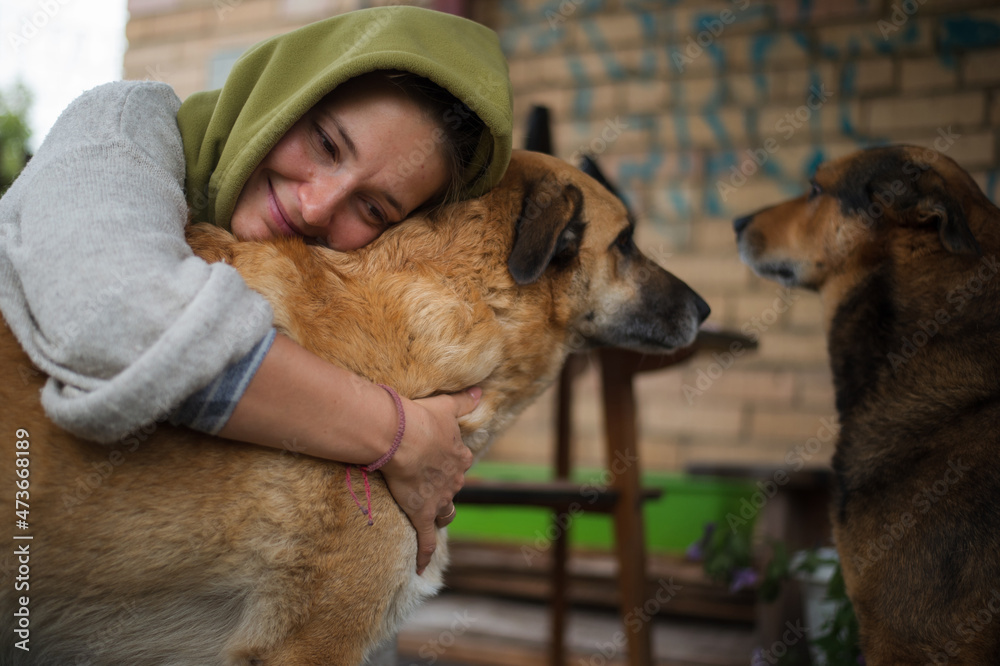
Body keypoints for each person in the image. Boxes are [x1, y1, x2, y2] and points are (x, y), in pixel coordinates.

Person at [0, 6, 513, 575]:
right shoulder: (122, 127)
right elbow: (113, 317)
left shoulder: (330, 293)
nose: (315, 206)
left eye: (372, 207)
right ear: (289, 90)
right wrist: (399, 435)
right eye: (325, 144)